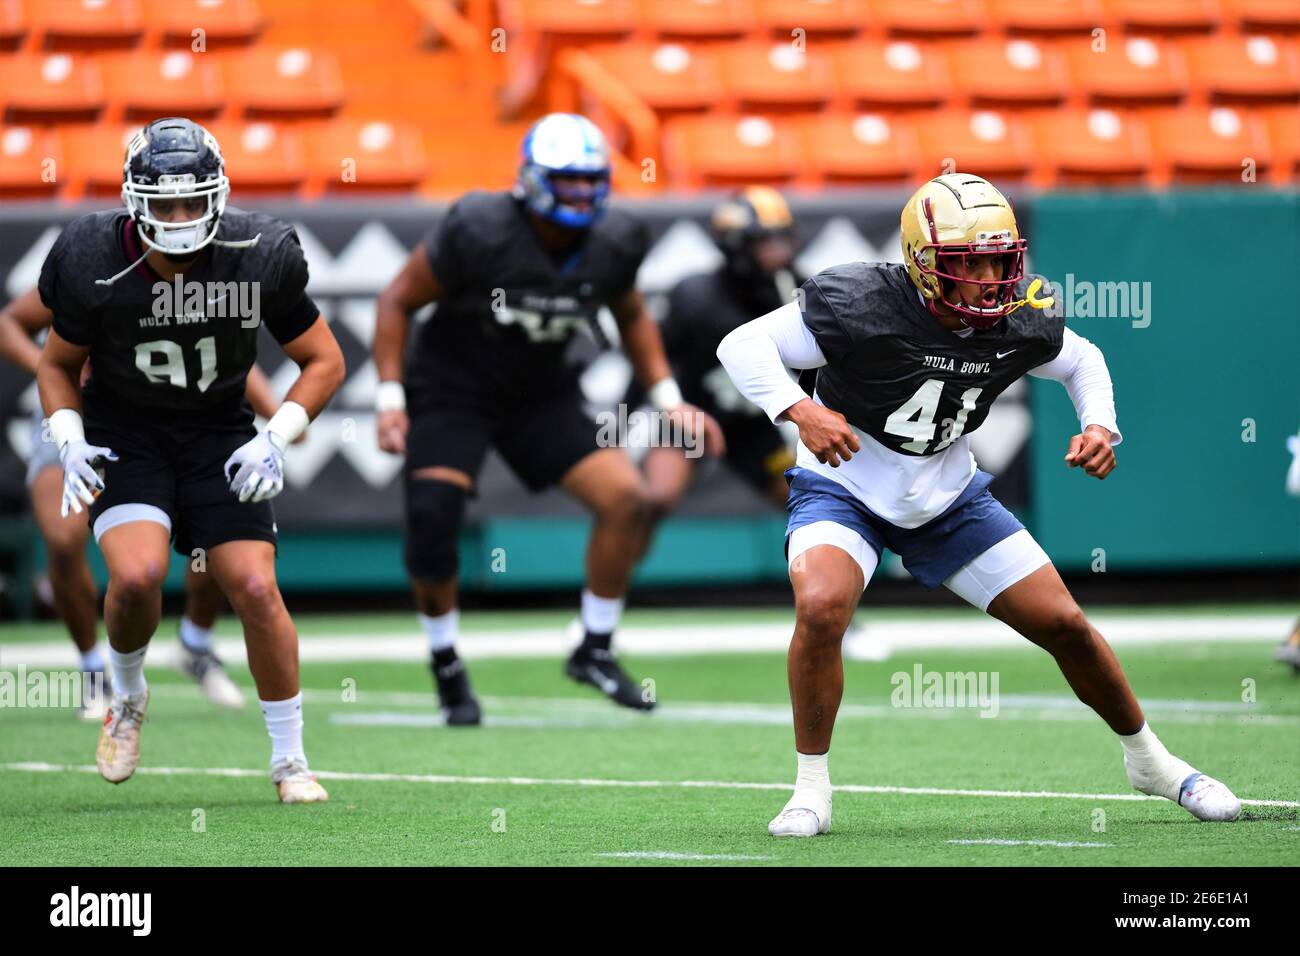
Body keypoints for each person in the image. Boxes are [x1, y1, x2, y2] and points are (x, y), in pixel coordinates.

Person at [716, 173, 1241, 835]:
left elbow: (1083, 361)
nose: (993, 277)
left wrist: (1101, 425)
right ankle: (810, 789)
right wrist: (798, 409)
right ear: (923, 266)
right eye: (972, 264)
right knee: (821, 607)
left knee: (1066, 625)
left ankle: (1152, 762)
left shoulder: (1024, 308)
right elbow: (742, 344)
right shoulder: (859, 301)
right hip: (844, 481)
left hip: (945, 490)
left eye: (1001, 259)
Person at [372, 113, 721, 723]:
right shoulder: (480, 228)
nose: (584, 194)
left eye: (592, 181)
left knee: (628, 501)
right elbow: (397, 300)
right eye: (569, 182)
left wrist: (669, 397)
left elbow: (632, 312)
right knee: (433, 517)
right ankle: (446, 663)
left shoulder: (615, 238)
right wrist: (390, 397)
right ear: (533, 181)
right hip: (453, 384)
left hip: (538, 391)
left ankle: (594, 646)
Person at [36, 117, 345, 802]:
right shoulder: (92, 254)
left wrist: (277, 435)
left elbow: (323, 360)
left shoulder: (258, 251)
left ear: (220, 194)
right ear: (133, 200)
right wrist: (69, 437)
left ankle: (290, 761)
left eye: (192, 201)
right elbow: (56, 364)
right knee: (140, 576)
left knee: (258, 590)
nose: (179, 219)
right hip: (128, 432)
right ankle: (126, 694)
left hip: (218, 433)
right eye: (164, 204)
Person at [0, 289, 287, 716]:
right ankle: (94, 669)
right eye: (164, 215)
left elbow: (228, 357)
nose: (175, 223)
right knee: (62, 540)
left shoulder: (206, 270)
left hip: (171, 424)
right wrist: (53, 369)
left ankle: (196, 640)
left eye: (185, 215)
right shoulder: (95, 260)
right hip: (75, 419)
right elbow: (11, 323)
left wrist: (278, 422)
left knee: (218, 525)